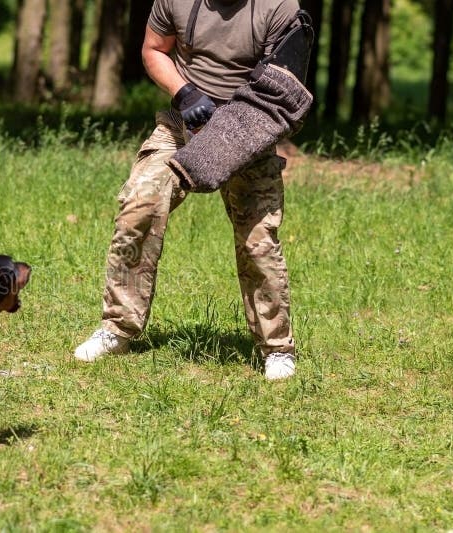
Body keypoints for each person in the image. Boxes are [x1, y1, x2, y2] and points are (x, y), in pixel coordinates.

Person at [74, 0, 301, 380]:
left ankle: (277, 348)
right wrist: (184, 92)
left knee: (257, 240)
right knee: (139, 206)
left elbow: (282, 87)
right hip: (183, 126)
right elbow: (154, 49)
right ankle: (117, 329)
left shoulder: (278, 6)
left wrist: (229, 127)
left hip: (250, 131)